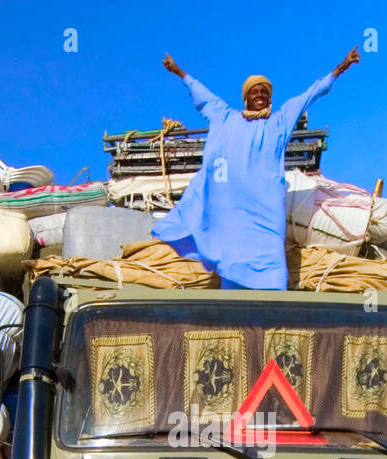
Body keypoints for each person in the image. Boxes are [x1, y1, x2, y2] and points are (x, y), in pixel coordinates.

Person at [152, 48, 360, 291]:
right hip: (233, 211)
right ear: (246, 98)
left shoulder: (279, 123)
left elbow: (310, 94)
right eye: (254, 92)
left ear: (269, 98)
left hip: (268, 211)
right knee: (231, 260)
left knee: (272, 265)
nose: (259, 95)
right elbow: (201, 95)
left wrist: (341, 67)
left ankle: (273, 315)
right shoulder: (226, 117)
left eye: (264, 92)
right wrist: (178, 71)